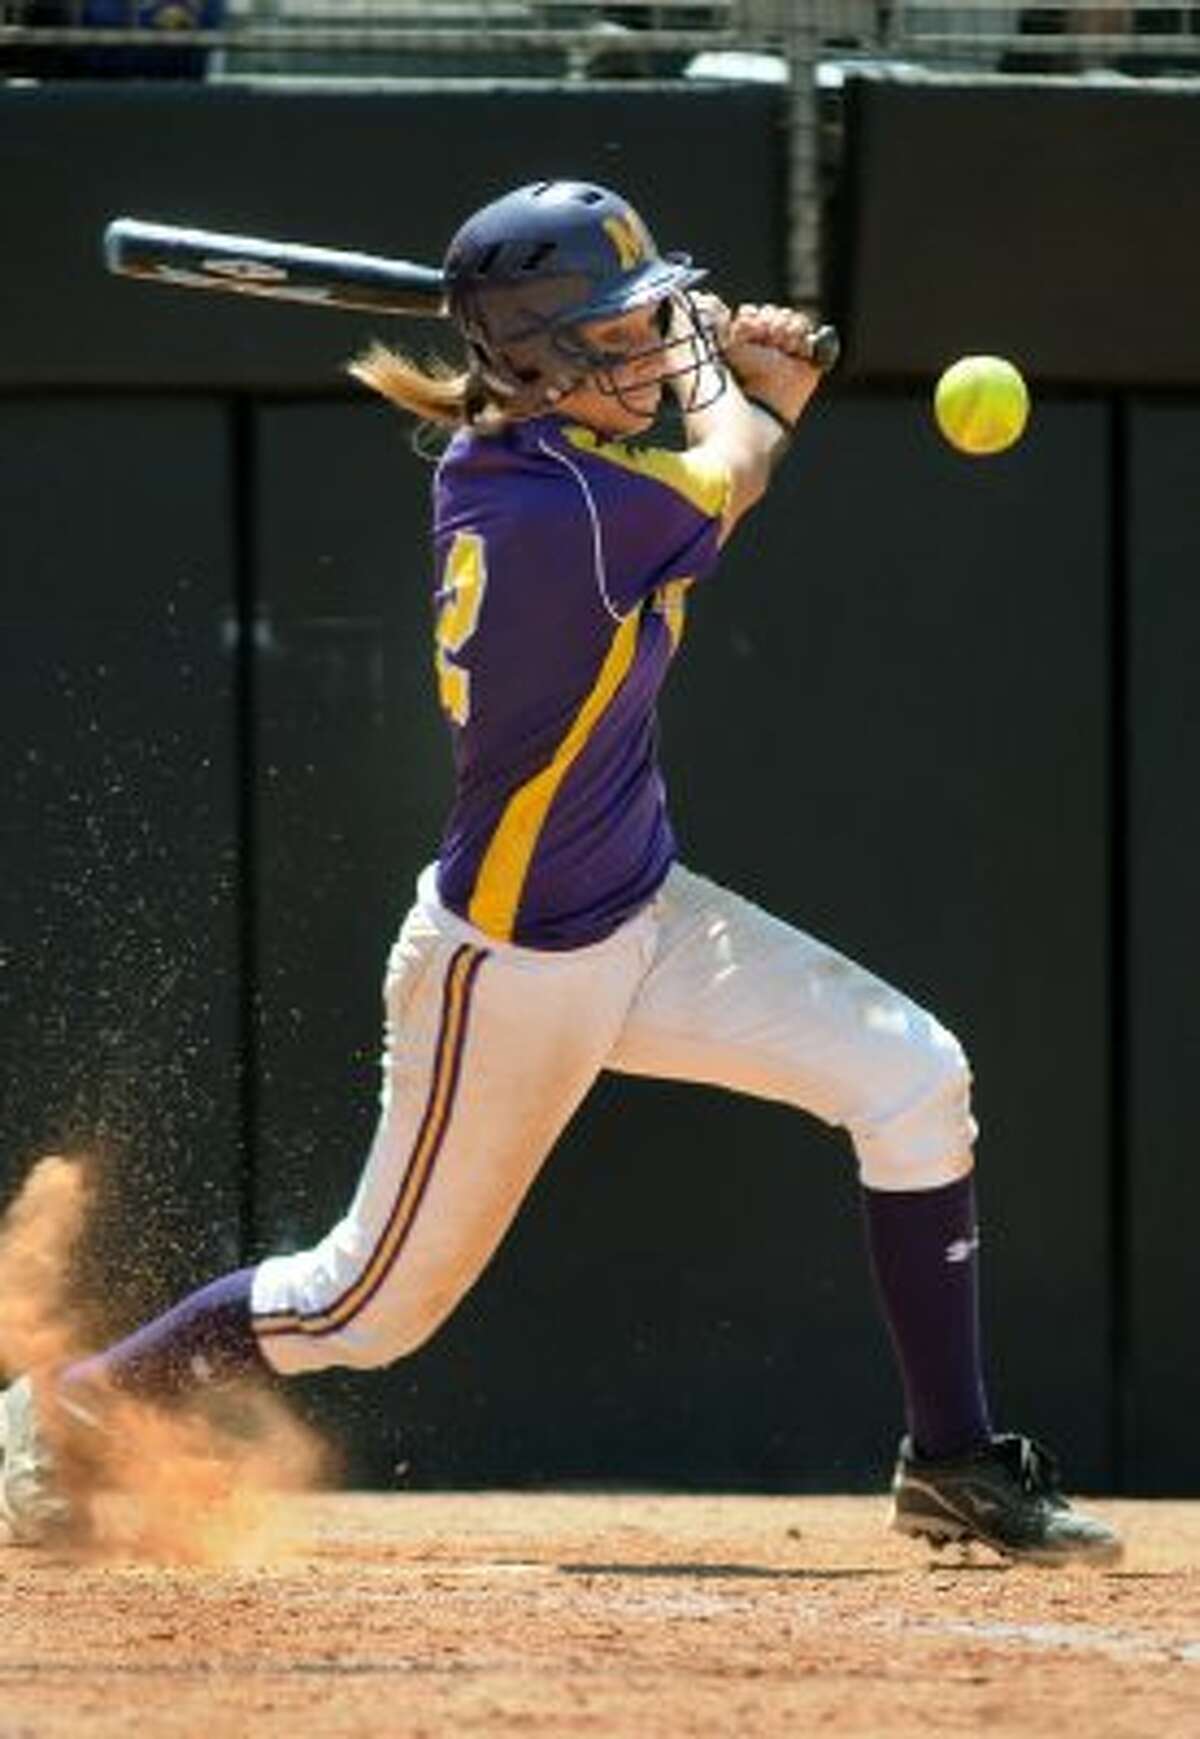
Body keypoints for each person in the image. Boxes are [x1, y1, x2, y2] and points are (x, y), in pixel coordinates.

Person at [0, 178, 1119, 1565]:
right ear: (535, 363)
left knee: (914, 1078)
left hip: (640, 914)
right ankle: (64, 1411)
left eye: (648, 326)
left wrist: (697, 353)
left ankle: (952, 1462)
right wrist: (759, 385)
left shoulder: (529, 458)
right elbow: (734, 470)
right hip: (508, 971)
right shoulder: (570, 509)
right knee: (362, 1309)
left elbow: (698, 442)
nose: (650, 355)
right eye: (618, 336)